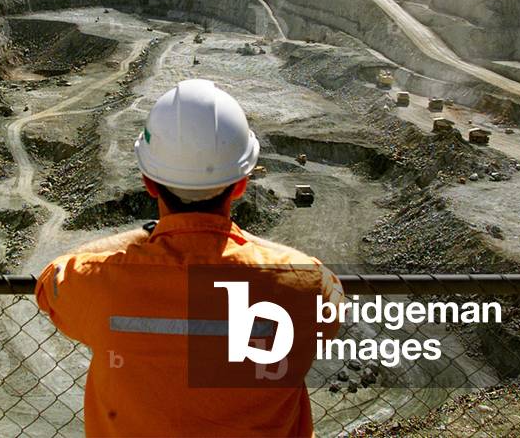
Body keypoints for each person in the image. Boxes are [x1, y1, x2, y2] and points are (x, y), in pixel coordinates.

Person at [37, 79, 342, 437]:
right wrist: (240, 241)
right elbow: (332, 305)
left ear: (149, 183)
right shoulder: (303, 284)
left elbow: (51, 280)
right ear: (241, 185)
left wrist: (149, 234)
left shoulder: (101, 284)